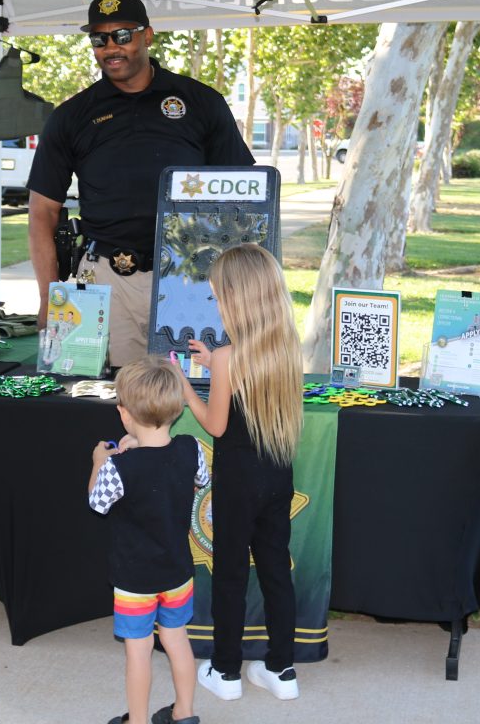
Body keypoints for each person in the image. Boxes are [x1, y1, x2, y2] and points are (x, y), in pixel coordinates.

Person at [27, 0, 254, 367]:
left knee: (196, 394)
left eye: (122, 35)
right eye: (99, 39)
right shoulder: (72, 116)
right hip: (109, 281)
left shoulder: (200, 102)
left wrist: (239, 287)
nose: (110, 47)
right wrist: (49, 297)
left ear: (147, 36)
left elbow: (245, 199)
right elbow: (42, 213)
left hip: (192, 281)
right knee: (119, 399)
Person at [179, 243, 303, 704]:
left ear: (237, 298)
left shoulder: (231, 356)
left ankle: (226, 671)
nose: (217, 304)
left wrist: (189, 387)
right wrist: (216, 362)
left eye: (217, 297)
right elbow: (249, 383)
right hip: (277, 477)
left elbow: (215, 425)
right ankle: (281, 669)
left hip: (236, 484)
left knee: (230, 574)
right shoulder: (285, 346)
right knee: (276, 572)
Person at [89, 356, 210, 724]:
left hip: (134, 581)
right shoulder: (191, 448)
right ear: (176, 409)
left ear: (124, 415)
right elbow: (199, 481)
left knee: (138, 652)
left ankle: (138, 721)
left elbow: (97, 502)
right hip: (176, 573)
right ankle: (184, 713)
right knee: (177, 641)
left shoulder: (117, 467)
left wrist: (98, 461)